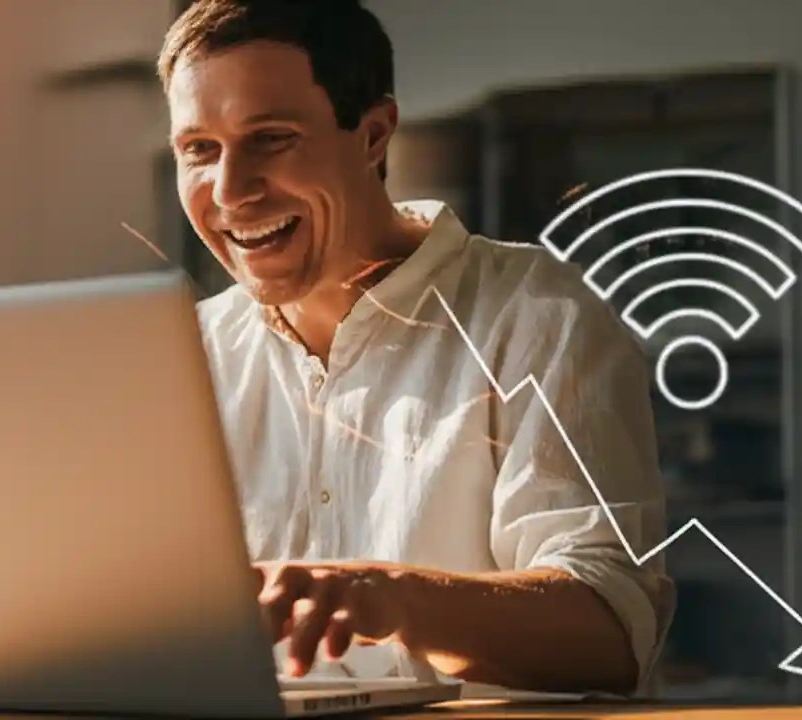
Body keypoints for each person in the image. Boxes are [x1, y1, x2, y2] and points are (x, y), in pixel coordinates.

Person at [158, 0, 672, 695]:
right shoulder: (181, 360)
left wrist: (385, 596)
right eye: (200, 150)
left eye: (271, 138)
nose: (230, 190)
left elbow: (612, 631)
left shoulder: (537, 316)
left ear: (373, 136)